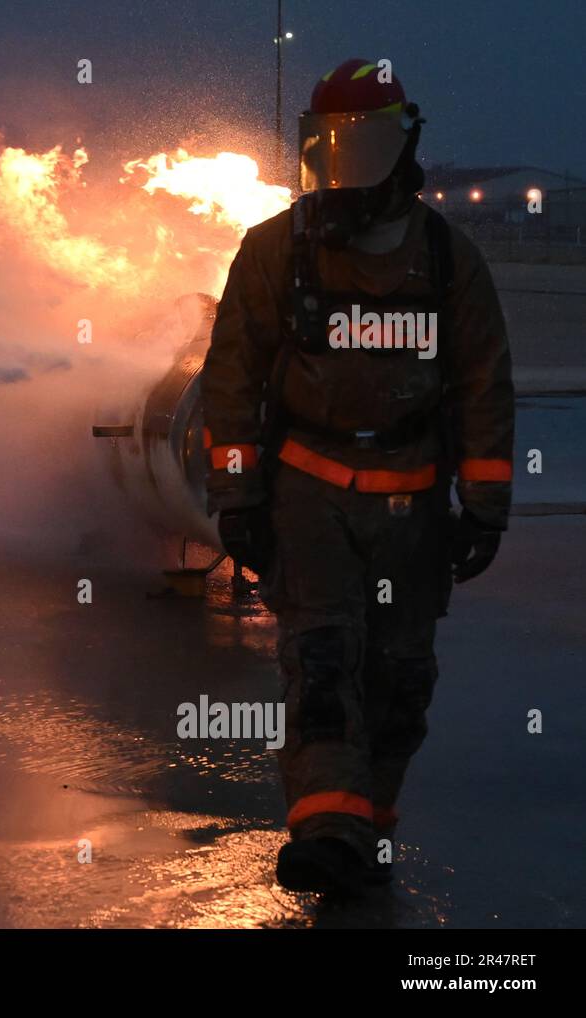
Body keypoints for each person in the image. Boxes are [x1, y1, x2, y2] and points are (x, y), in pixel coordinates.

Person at [200, 57, 514, 894]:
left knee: (401, 680)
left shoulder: (449, 262)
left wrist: (484, 507)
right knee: (325, 660)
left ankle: (364, 830)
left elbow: (483, 385)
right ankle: (328, 828)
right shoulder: (277, 251)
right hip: (310, 493)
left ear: (403, 144)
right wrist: (236, 496)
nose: (349, 163)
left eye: (366, 142)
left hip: (412, 501)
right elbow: (229, 379)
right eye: (336, 144)